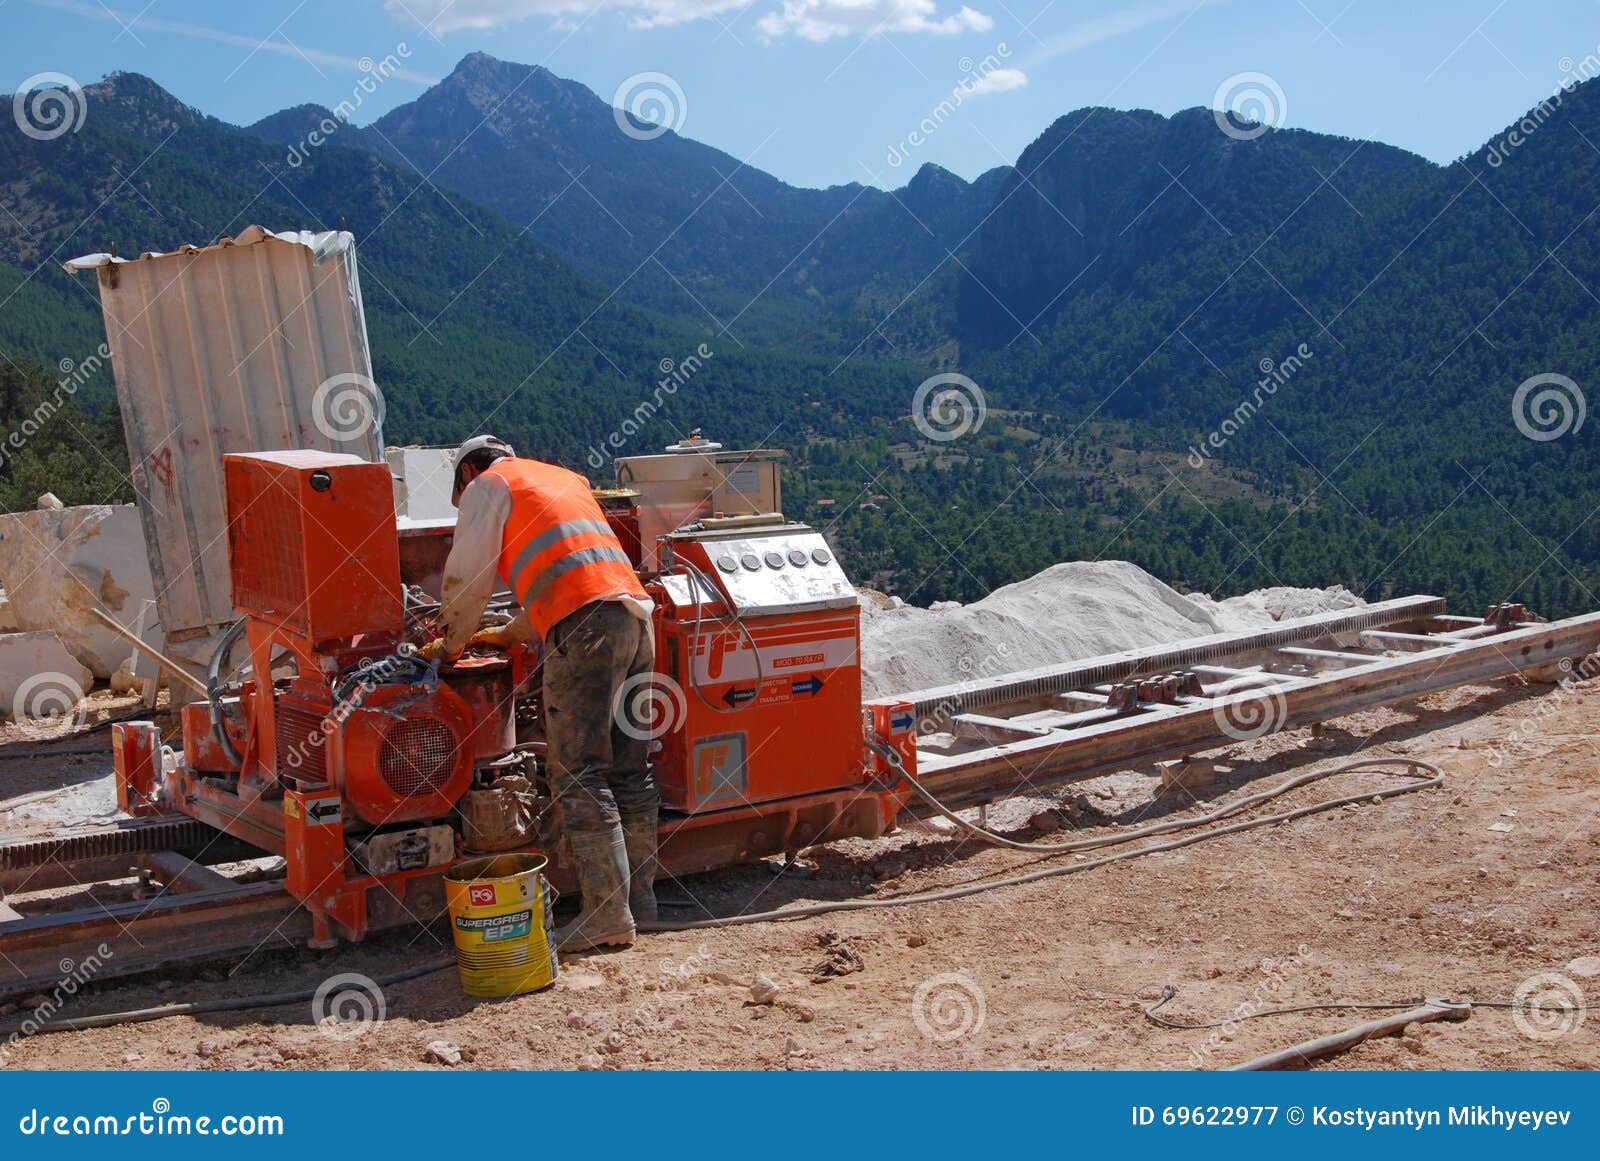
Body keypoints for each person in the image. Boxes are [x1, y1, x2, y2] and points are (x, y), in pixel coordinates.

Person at [431, 435, 659, 952]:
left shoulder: (487, 486)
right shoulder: (561, 478)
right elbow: (570, 576)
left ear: (466, 472)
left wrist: (450, 643)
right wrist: (508, 634)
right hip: (632, 619)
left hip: (586, 628)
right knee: (629, 768)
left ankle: (607, 916)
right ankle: (641, 902)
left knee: (579, 772)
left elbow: (467, 580)